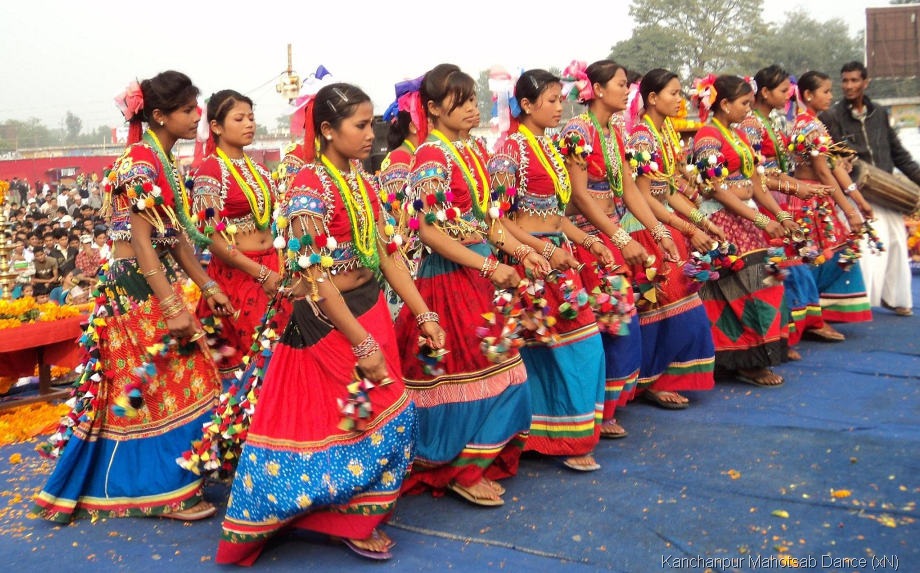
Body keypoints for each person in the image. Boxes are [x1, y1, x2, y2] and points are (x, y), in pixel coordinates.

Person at [215, 83, 443, 564]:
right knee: (381, 412)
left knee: (360, 416)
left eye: (370, 124)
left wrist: (422, 311)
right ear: (326, 130)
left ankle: (350, 514)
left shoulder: (363, 179)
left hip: (369, 304)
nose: (369, 134)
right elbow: (315, 278)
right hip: (330, 316)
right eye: (360, 126)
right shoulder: (306, 188)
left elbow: (388, 253)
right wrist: (361, 343)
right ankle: (334, 517)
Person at [33, 70, 234, 523]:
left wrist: (207, 286)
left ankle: (176, 477)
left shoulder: (161, 159)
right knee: (160, 385)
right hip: (136, 288)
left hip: (152, 279)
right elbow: (143, 242)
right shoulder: (140, 163)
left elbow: (175, 236)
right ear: (159, 115)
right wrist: (172, 306)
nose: (196, 116)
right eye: (187, 110)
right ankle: (165, 490)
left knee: (178, 381)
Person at [394, 63, 539, 506]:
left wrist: (526, 251)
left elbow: (487, 221)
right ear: (433, 109)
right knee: (470, 374)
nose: (473, 109)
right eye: (461, 102)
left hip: (480, 270)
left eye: (474, 99)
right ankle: (459, 468)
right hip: (449, 277)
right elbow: (428, 231)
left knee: (501, 370)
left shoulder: (472, 151)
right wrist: (489, 268)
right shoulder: (431, 156)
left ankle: (475, 459)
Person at [488, 69, 610, 470]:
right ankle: (557, 439)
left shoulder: (550, 148)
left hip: (557, 257)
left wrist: (590, 241)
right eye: (552, 100)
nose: (561, 107)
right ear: (526, 105)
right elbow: (500, 221)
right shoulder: (509, 152)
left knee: (574, 345)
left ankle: (559, 433)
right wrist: (539, 250)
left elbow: (556, 217)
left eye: (562, 99)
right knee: (559, 348)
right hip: (531, 261)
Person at [561, 59, 680, 418]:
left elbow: (629, 189)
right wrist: (618, 236)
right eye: (620, 83)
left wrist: (658, 233)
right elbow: (580, 196)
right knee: (606, 317)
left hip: (610, 229)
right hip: (587, 235)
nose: (627, 90)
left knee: (621, 315)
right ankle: (598, 409)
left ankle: (609, 405)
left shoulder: (615, 131)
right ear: (597, 90)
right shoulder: (578, 130)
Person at [690, 75, 797, 387]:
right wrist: (762, 220)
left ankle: (756, 355)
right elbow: (714, 189)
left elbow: (755, 182)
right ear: (724, 104)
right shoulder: (707, 137)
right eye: (745, 104)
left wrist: (780, 214)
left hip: (745, 220)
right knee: (743, 289)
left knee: (766, 282)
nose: (750, 110)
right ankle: (745, 360)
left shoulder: (736, 135)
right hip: (723, 222)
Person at [624, 68, 717, 406]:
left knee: (679, 303)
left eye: (680, 93)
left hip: (666, 224)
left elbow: (671, 190)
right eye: (673, 93)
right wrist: (688, 227)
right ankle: (654, 380)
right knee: (665, 304)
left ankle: (661, 376)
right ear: (652, 98)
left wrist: (699, 220)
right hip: (646, 227)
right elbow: (645, 197)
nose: (680, 99)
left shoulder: (664, 133)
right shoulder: (641, 138)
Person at [741, 65, 845, 348]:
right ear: (765, 92)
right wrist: (798, 187)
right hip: (765, 202)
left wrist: (800, 188)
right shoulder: (751, 126)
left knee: (794, 264)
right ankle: (788, 333)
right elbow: (756, 175)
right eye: (784, 90)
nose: (789, 96)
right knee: (785, 267)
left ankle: (798, 328)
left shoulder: (771, 122)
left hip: (780, 199)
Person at [191, 89, 288, 372]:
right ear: (217, 127)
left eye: (251, 117)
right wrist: (261, 273)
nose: (249, 124)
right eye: (240, 118)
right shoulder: (209, 171)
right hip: (239, 275)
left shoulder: (257, 168)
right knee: (256, 365)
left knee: (283, 357)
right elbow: (212, 239)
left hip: (272, 268)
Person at [821, 60, 917, 317]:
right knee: (866, 249)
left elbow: (899, 155)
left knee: (896, 242)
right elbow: (829, 160)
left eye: (854, 80)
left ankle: (895, 298)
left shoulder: (879, 114)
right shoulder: (831, 117)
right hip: (856, 193)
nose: (849, 86)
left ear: (865, 82)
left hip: (886, 190)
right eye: (845, 81)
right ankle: (863, 303)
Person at [788, 71, 873, 324]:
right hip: (808, 199)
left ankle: (815, 310)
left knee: (830, 251)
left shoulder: (816, 124)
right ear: (808, 95)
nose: (830, 96)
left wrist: (859, 201)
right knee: (817, 254)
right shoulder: (807, 125)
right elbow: (825, 171)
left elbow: (834, 165)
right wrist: (849, 209)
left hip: (819, 197)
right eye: (826, 91)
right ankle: (807, 313)